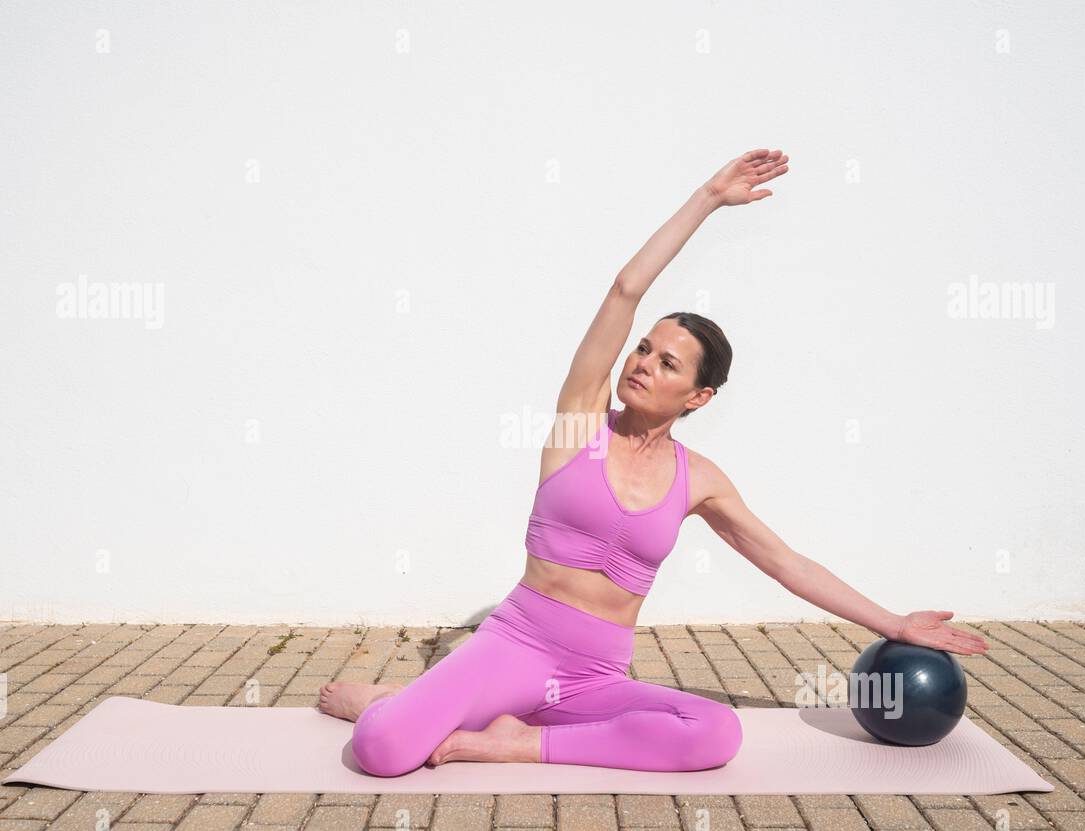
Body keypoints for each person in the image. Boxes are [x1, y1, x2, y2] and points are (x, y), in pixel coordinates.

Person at [318, 148, 989, 777]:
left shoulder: (700, 479)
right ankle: (407, 699)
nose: (641, 363)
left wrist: (895, 624)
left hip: (596, 675)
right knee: (380, 747)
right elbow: (623, 290)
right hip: (515, 648)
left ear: (698, 395)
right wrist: (708, 198)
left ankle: (522, 740)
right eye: (643, 349)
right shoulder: (581, 420)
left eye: (666, 362)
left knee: (715, 731)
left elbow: (790, 565)